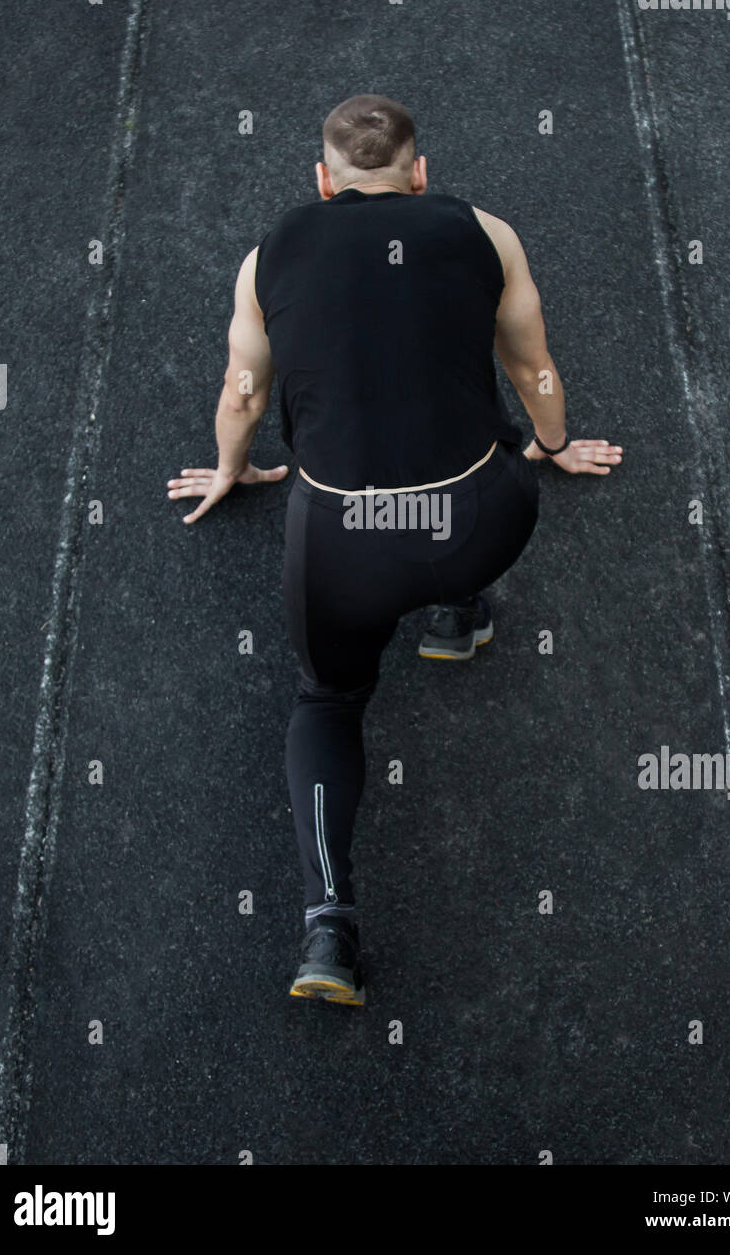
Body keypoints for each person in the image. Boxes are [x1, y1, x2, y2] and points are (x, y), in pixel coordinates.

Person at [167, 94, 623, 1005]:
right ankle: (457, 615)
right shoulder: (485, 232)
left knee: (328, 700)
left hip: (343, 538)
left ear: (324, 183)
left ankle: (327, 929)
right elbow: (532, 367)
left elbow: (242, 392)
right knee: (499, 473)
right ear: (420, 173)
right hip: (475, 520)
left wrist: (231, 468)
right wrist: (557, 441)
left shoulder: (269, 256)